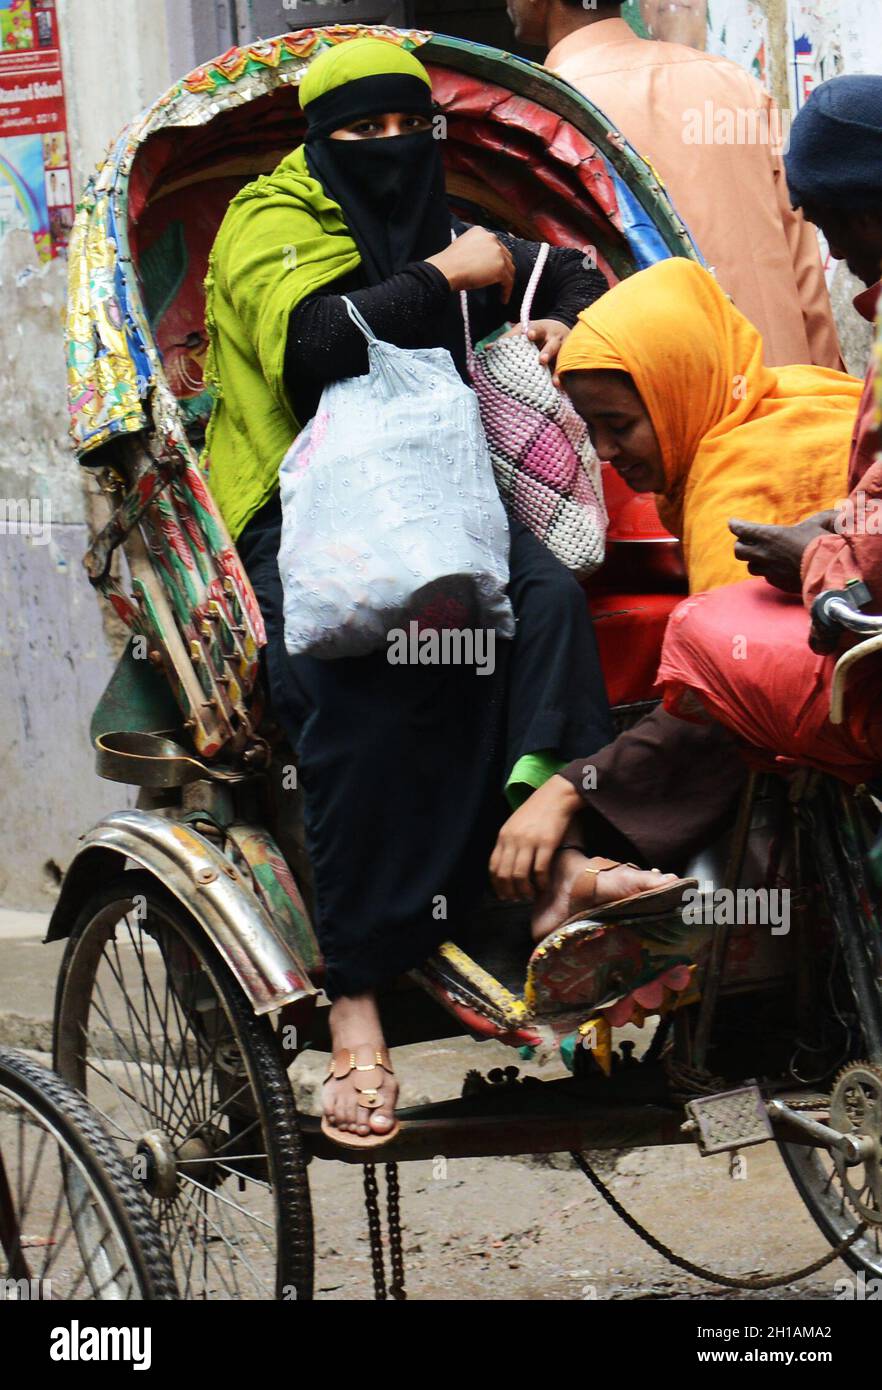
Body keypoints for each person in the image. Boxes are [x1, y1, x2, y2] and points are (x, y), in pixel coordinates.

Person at [203, 36, 633, 1148]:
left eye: (410, 129)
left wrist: (556, 320)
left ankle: (546, 850)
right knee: (350, 687)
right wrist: (447, 280)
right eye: (364, 134)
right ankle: (356, 1009)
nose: (392, 152)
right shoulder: (271, 223)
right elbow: (311, 351)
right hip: (302, 505)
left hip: (438, 494)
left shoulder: (438, 218)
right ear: (319, 142)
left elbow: (572, 270)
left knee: (540, 597)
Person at [490, 75, 882, 932]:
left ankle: (676, 915)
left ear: (677, 387)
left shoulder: (733, 483)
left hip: (865, 685)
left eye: (620, 426)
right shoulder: (806, 387)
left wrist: (569, 787)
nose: (606, 457)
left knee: (704, 647)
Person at [504, 0, 842, 371]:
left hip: (642, 400)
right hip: (778, 392)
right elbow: (804, 266)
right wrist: (829, 396)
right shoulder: (732, 83)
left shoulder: (535, 115)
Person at [555, 258, 861, 593]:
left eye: (620, 426)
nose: (604, 450)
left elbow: (730, 637)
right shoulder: (794, 386)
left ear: (678, 394)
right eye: (590, 427)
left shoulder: (732, 493)